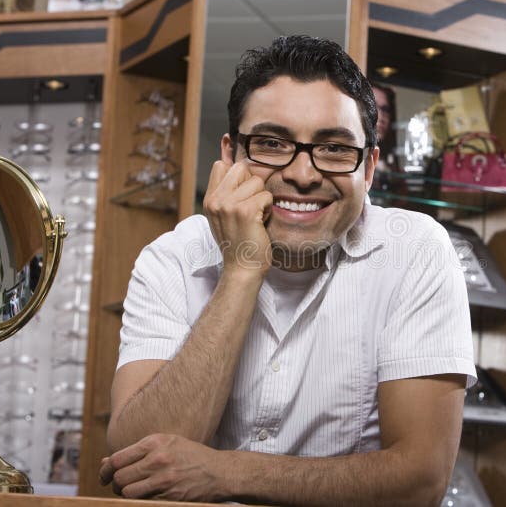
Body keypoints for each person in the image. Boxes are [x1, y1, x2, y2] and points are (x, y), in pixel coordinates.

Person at [99, 35, 475, 505]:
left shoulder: (416, 252)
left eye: (335, 148)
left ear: (370, 168)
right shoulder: (173, 257)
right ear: (232, 154)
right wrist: (241, 268)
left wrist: (224, 471)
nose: (302, 174)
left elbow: (420, 479)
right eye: (272, 143)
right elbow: (138, 462)